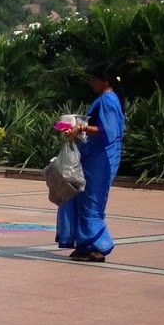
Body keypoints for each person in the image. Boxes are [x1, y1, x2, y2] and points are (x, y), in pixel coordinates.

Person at [57, 63, 125, 263]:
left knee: (92, 202)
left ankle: (98, 244)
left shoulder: (108, 100)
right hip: (93, 157)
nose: (91, 83)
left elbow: (108, 130)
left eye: (93, 79)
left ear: (104, 81)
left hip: (101, 160)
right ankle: (84, 244)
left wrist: (81, 128)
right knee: (80, 197)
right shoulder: (105, 99)